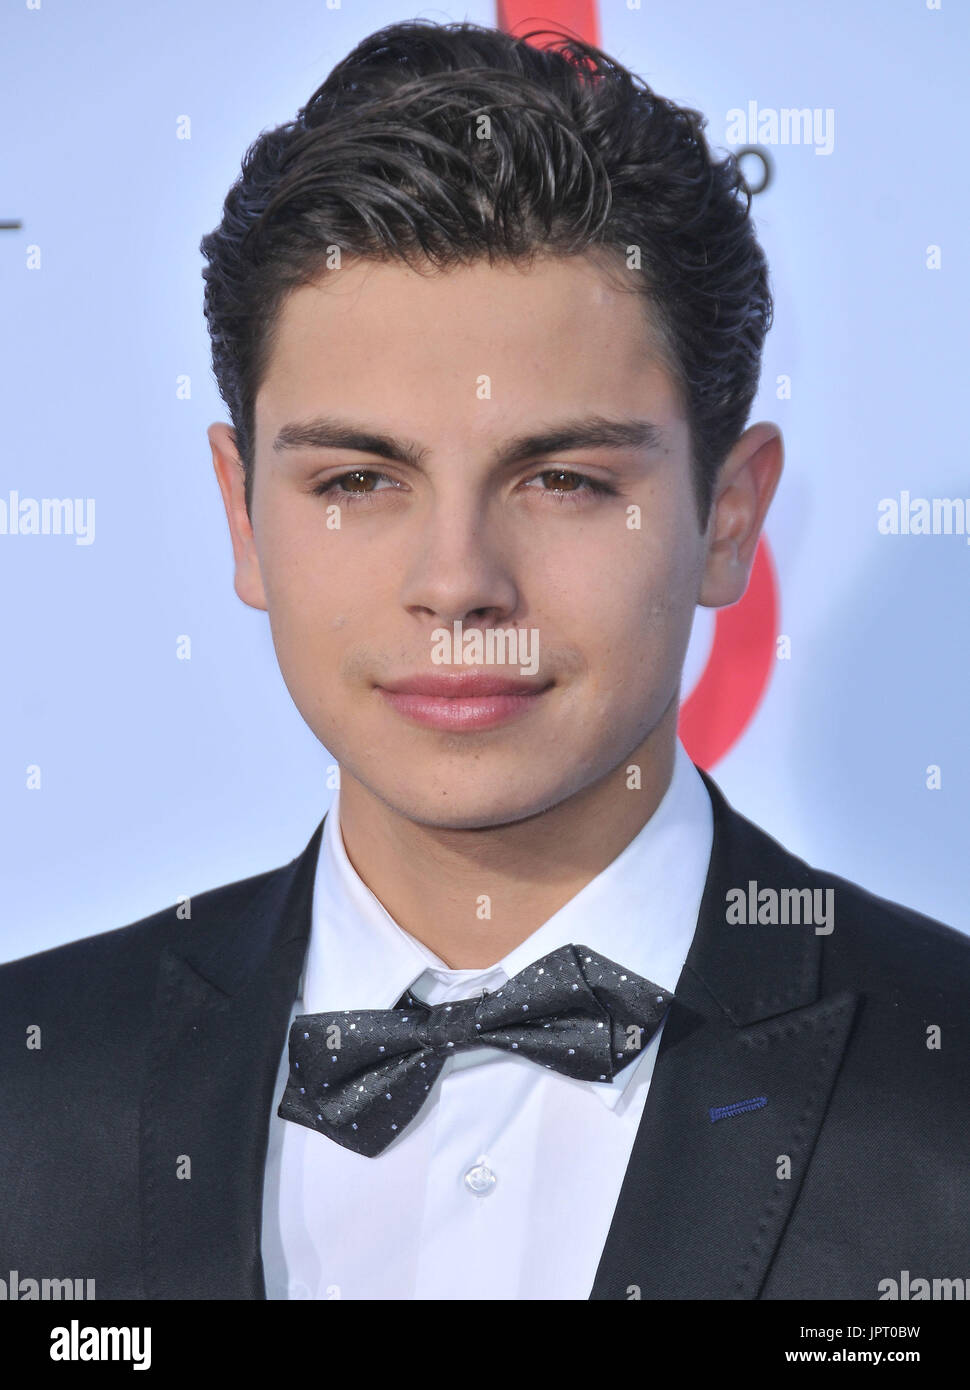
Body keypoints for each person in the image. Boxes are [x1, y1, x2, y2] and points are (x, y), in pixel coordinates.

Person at [2, 19, 967, 1302]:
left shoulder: (943, 1086)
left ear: (726, 517)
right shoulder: (31, 1087)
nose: (457, 581)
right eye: (358, 478)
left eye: (562, 478)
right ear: (243, 517)